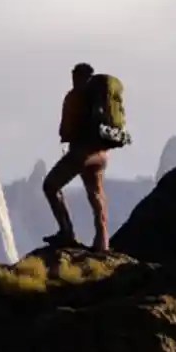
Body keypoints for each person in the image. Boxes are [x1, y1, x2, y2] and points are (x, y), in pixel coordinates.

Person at [42, 62, 111, 252]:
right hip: (101, 154)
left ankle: (67, 232)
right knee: (96, 194)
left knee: (51, 185)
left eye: (75, 75)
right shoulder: (99, 97)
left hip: (82, 152)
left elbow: (67, 129)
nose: (73, 78)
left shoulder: (79, 97)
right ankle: (102, 243)